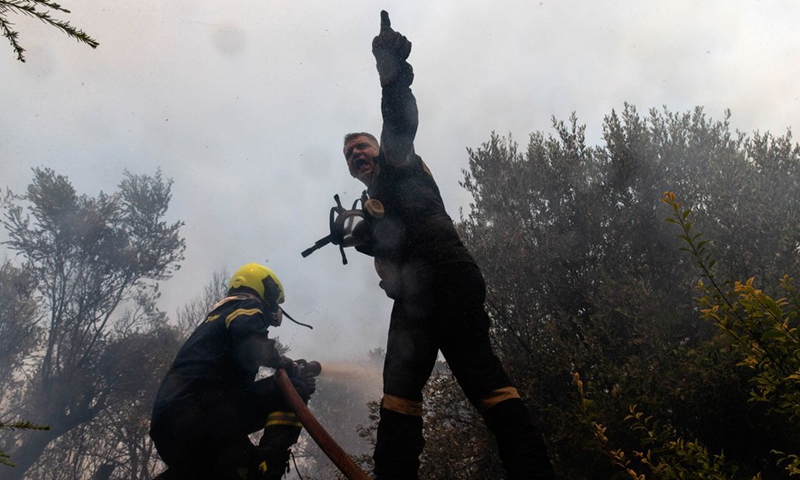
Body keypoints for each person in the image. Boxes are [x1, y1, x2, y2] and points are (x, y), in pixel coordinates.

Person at [341, 11, 556, 480]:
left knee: (456, 382)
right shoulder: (377, 196)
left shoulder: (398, 162)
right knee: (417, 389)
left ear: (377, 150)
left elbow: (399, 121)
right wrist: (359, 238)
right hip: (425, 290)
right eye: (350, 153)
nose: (358, 153)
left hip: (439, 277)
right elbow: (385, 241)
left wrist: (390, 74)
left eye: (363, 146)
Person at [149, 263, 318, 480]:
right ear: (267, 289)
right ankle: (268, 462)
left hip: (170, 430)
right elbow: (253, 346)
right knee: (293, 390)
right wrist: (290, 368)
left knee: (229, 470)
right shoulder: (247, 304)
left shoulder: (216, 317)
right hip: (201, 414)